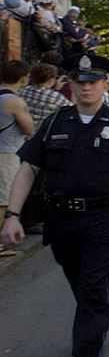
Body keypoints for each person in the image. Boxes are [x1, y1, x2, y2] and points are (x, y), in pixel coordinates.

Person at [0, 52, 109, 357]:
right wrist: (12, 215)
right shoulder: (56, 123)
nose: (86, 89)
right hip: (62, 220)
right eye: (80, 83)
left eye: (93, 83)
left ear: (104, 85)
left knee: (93, 285)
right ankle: (95, 320)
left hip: (106, 218)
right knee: (80, 282)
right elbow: (28, 169)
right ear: (71, 86)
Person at [0, 60, 35, 249]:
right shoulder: (14, 101)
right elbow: (29, 128)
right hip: (7, 153)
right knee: (5, 201)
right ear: (23, 78)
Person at [20, 63, 73, 128]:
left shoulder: (24, 90)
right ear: (51, 79)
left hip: (23, 129)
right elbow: (73, 110)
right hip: (43, 132)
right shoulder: (57, 97)